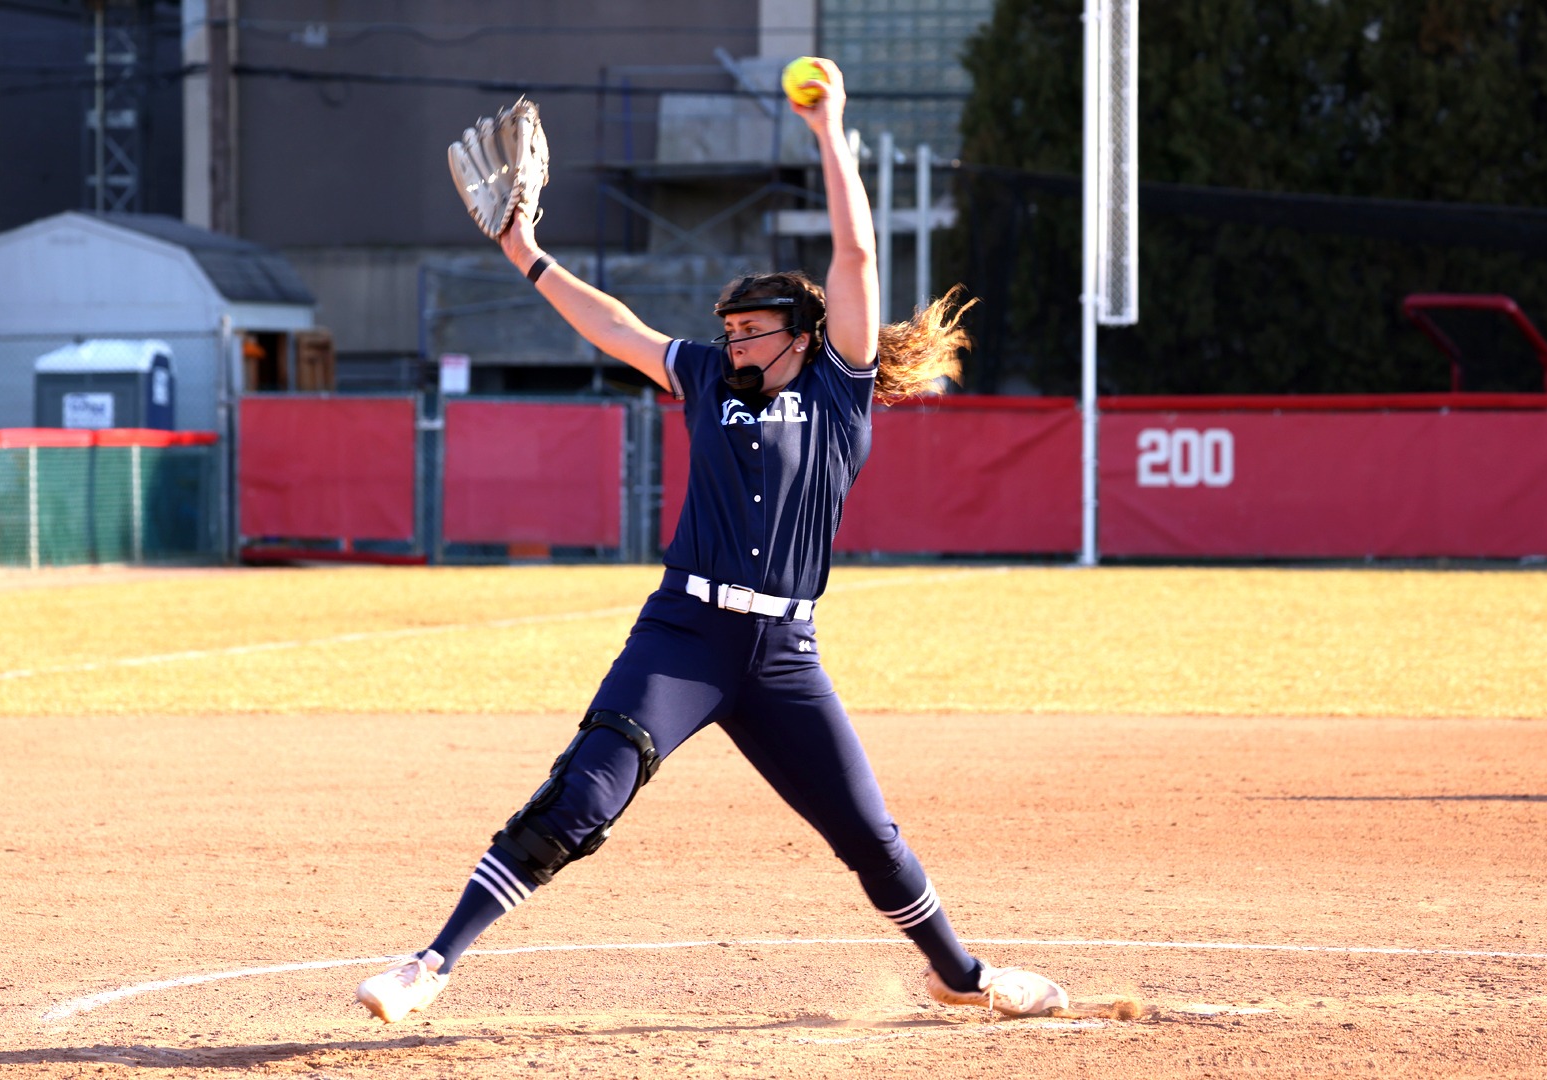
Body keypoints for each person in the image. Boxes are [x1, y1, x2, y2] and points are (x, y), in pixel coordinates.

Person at [356, 58, 1069, 1024]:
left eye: (753, 327)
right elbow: (615, 326)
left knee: (868, 833)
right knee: (582, 796)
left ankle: (960, 974)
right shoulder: (701, 381)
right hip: (684, 636)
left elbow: (856, 262)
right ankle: (429, 963)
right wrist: (527, 252)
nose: (734, 340)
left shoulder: (837, 394)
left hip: (785, 654)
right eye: (728, 326)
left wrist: (829, 132)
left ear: (805, 336)